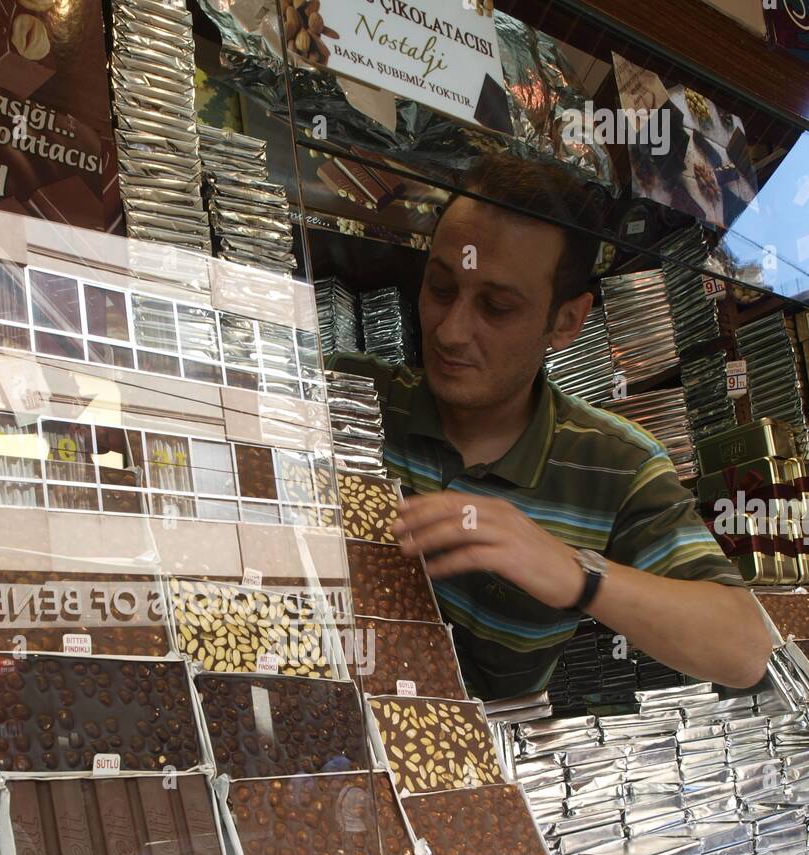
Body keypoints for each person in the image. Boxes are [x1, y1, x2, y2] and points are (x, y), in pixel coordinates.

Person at [329, 153, 773, 701]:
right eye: (442, 288)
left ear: (566, 321)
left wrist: (572, 572)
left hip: (475, 768)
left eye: (496, 307)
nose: (449, 332)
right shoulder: (348, 395)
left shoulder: (618, 465)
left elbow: (746, 648)